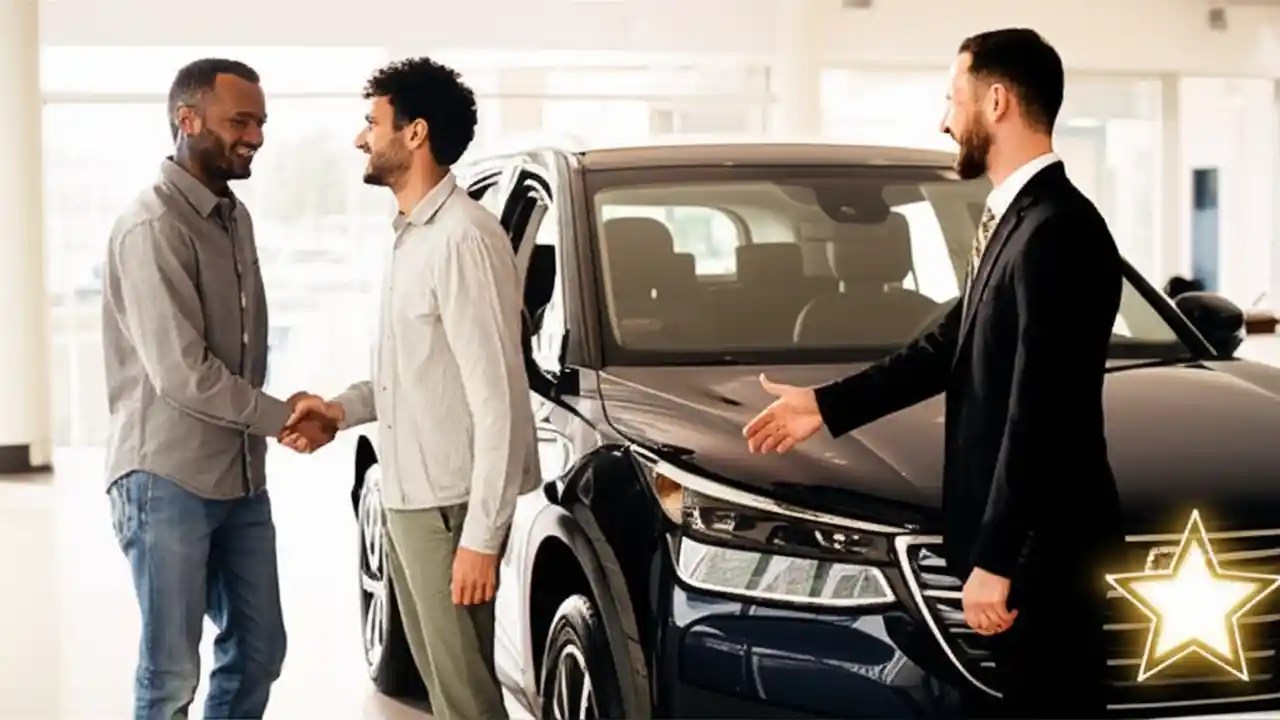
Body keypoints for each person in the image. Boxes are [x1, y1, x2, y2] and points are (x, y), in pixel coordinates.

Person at [741, 28, 1123, 717]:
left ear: (997, 101)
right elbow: (948, 347)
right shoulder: (1019, 221)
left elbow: (1041, 415)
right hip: (1027, 554)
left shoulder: (1057, 231)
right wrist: (824, 407)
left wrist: (998, 559)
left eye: (954, 99)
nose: (944, 120)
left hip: (1045, 559)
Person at [283, 57, 538, 720]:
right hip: (409, 501)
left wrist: (482, 536)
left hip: (447, 511)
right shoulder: (414, 238)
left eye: (373, 122)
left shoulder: (461, 241)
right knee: (442, 695)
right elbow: (416, 377)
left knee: (466, 702)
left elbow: (497, 399)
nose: (360, 138)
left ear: (415, 133)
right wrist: (341, 409)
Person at [101, 58, 334, 720]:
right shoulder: (153, 227)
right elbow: (182, 371)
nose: (255, 135)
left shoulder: (234, 219)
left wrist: (275, 424)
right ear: (188, 120)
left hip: (239, 478)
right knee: (172, 669)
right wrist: (283, 416)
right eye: (241, 120)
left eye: (260, 121)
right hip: (166, 478)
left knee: (260, 650)